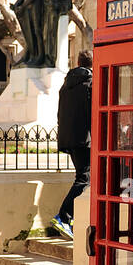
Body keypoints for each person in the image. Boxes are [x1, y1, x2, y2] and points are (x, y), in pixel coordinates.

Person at [50, 48, 93, 241]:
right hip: (85, 138)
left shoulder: (66, 85)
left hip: (69, 138)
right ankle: (64, 216)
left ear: (78, 62)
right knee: (84, 178)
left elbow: (60, 114)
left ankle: (76, 218)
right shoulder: (90, 84)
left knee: (84, 177)